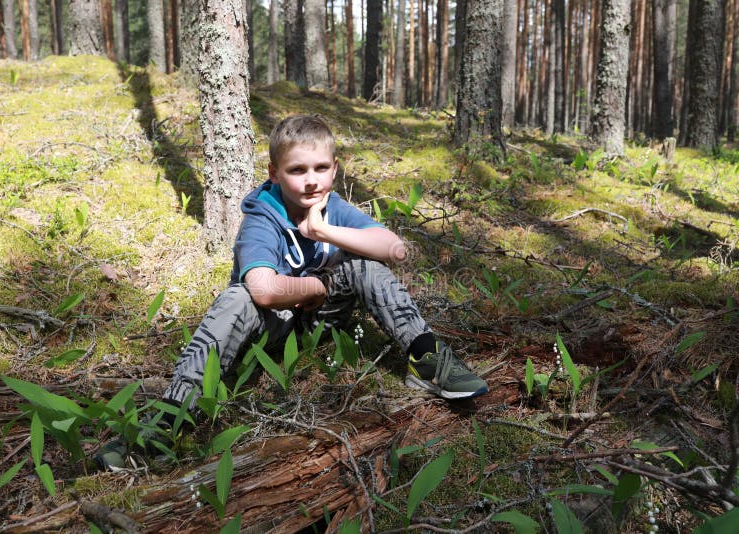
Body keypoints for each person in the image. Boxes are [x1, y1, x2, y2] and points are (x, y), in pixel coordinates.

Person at [95, 115, 487, 469]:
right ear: (275, 172)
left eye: (320, 168)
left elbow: (394, 249)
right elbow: (264, 290)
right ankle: (172, 414)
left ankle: (426, 357)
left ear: (335, 169)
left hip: (323, 321)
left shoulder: (332, 207)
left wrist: (323, 231)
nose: (311, 179)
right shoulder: (262, 217)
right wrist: (315, 284)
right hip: (272, 328)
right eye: (297, 170)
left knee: (365, 263)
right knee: (237, 297)